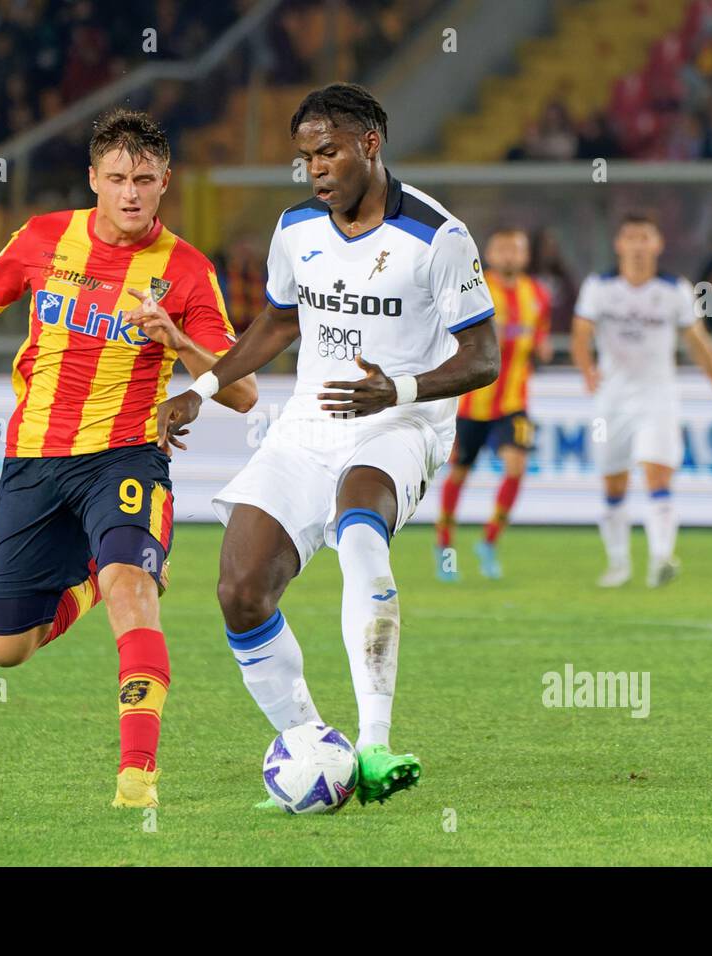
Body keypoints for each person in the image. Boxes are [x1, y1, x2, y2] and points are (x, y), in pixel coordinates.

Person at [0, 109, 257, 809]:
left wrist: (176, 335)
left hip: (125, 458)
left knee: (132, 590)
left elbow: (242, 389)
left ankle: (137, 779)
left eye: (145, 179)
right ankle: (91, 579)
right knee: (6, 648)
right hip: (33, 458)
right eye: (117, 178)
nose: (131, 194)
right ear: (94, 179)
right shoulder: (42, 239)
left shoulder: (186, 272)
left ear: (165, 182)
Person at [157, 83, 499, 807]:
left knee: (359, 526)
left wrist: (400, 391)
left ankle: (375, 744)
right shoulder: (296, 230)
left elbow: (484, 357)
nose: (314, 168)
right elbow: (279, 323)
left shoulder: (439, 237)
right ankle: (316, 747)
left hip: (400, 424)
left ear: (369, 144)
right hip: (308, 424)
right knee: (240, 591)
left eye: (328, 151)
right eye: (305, 156)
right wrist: (203, 390)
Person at [571, 212, 712, 589]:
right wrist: (587, 371)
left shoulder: (674, 289)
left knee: (656, 471)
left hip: (657, 396)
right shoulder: (599, 287)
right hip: (611, 399)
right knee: (613, 484)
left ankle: (662, 557)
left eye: (644, 237)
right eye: (629, 237)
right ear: (619, 245)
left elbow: (698, 344)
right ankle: (618, 564)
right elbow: (580, 333)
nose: (637, 245)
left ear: (658, 244)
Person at [435, 228, 550, 581]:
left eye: (516, 248)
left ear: (526, 254)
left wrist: (539, 349)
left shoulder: (538, 295)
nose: (510, 255)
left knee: (516, 468)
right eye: (503, 249)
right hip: (471, 404)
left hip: (514, 402)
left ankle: (488, 542)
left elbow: (540, 342)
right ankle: (445, 548)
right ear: (489, 252)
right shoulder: (474, 289)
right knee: (459, 474)